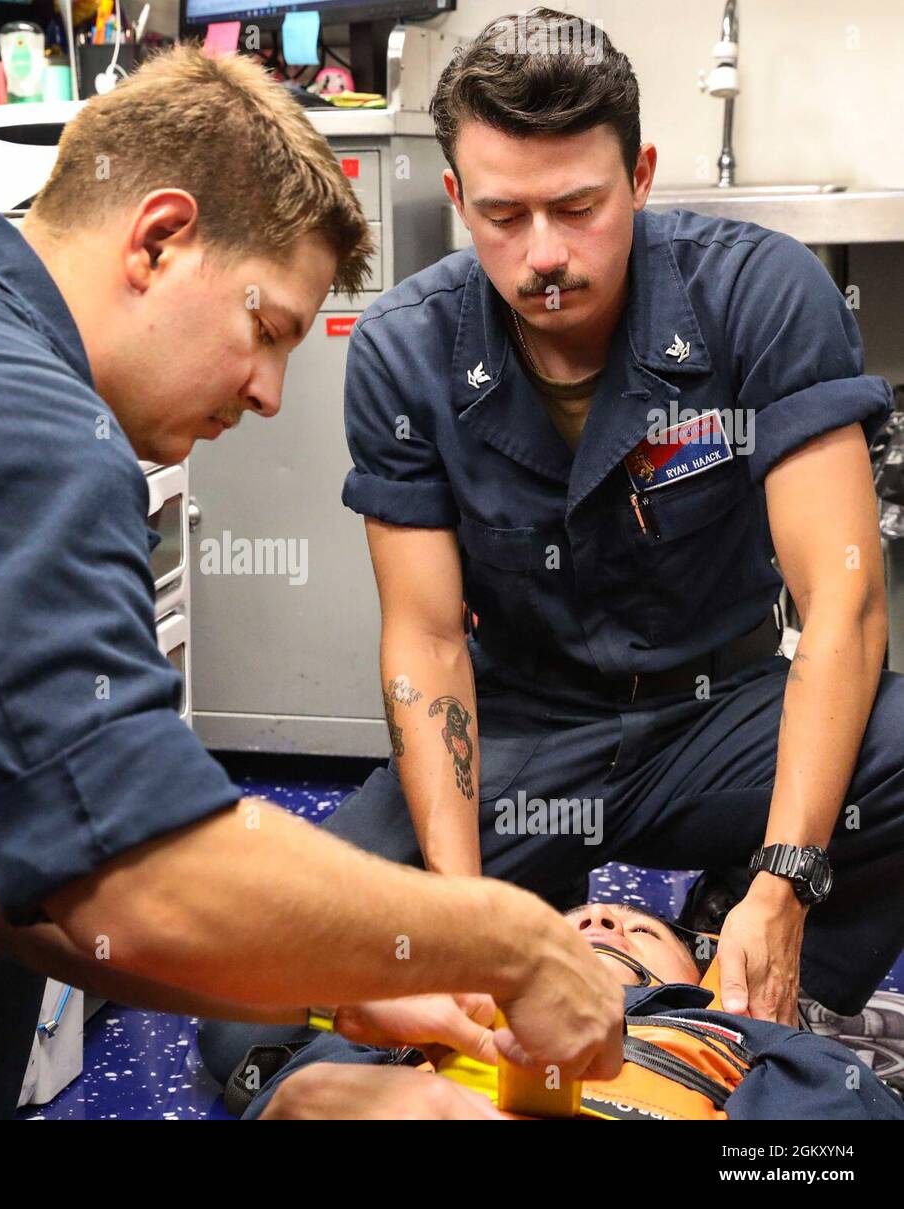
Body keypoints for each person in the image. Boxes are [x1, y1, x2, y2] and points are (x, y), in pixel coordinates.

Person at [0, 45, 625, 1120]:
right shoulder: (7, 412)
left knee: (4, 897)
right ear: (159, 240)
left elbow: (1, 902)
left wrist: (346, 980)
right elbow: (149, 879)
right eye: (265, 329)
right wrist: (518, 942)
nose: (270, 393)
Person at [326, 6, 904, 1029]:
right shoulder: (401, 350)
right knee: (290, 966)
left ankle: (746, 994)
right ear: (455, 197)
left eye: (578, 207)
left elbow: (843, 598)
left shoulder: (759, 294)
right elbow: (423, 642)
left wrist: (782, 884)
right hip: (519, 737)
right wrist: (459, 918)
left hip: (714, 718)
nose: (544, 253)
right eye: (503, 216)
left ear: (638, 177)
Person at [237, 902, 904, 1120]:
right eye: (572, 923)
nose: (607, 915)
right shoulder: (433, 1015)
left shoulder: (728, 1033)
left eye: (644, 931)